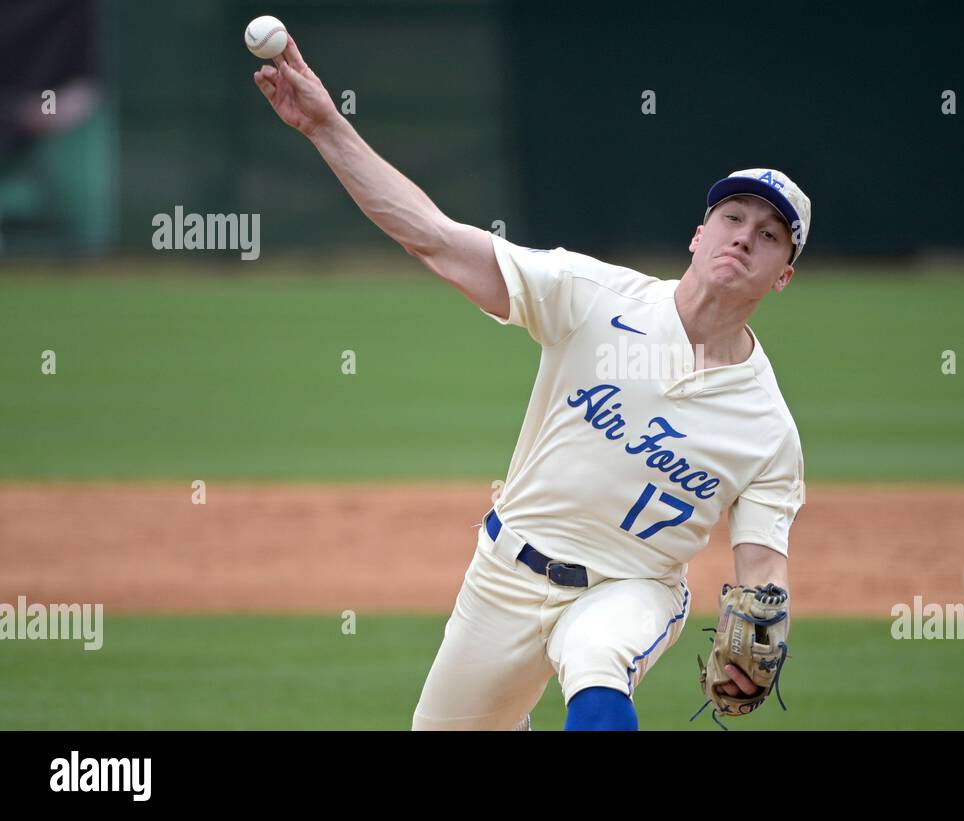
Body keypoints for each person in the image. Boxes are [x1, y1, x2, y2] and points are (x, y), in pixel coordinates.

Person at [253, 37, 808, 731]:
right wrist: (325, 126)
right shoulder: (590, 296)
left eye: (769, 234)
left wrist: (765, 617)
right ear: (698, 235)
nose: (744, 237)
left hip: (630, 589)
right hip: (505, 572)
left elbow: (762, 562)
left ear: (782, 274)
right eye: (732, 218)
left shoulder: (766, 428)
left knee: (600, 668)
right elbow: (432, 235)